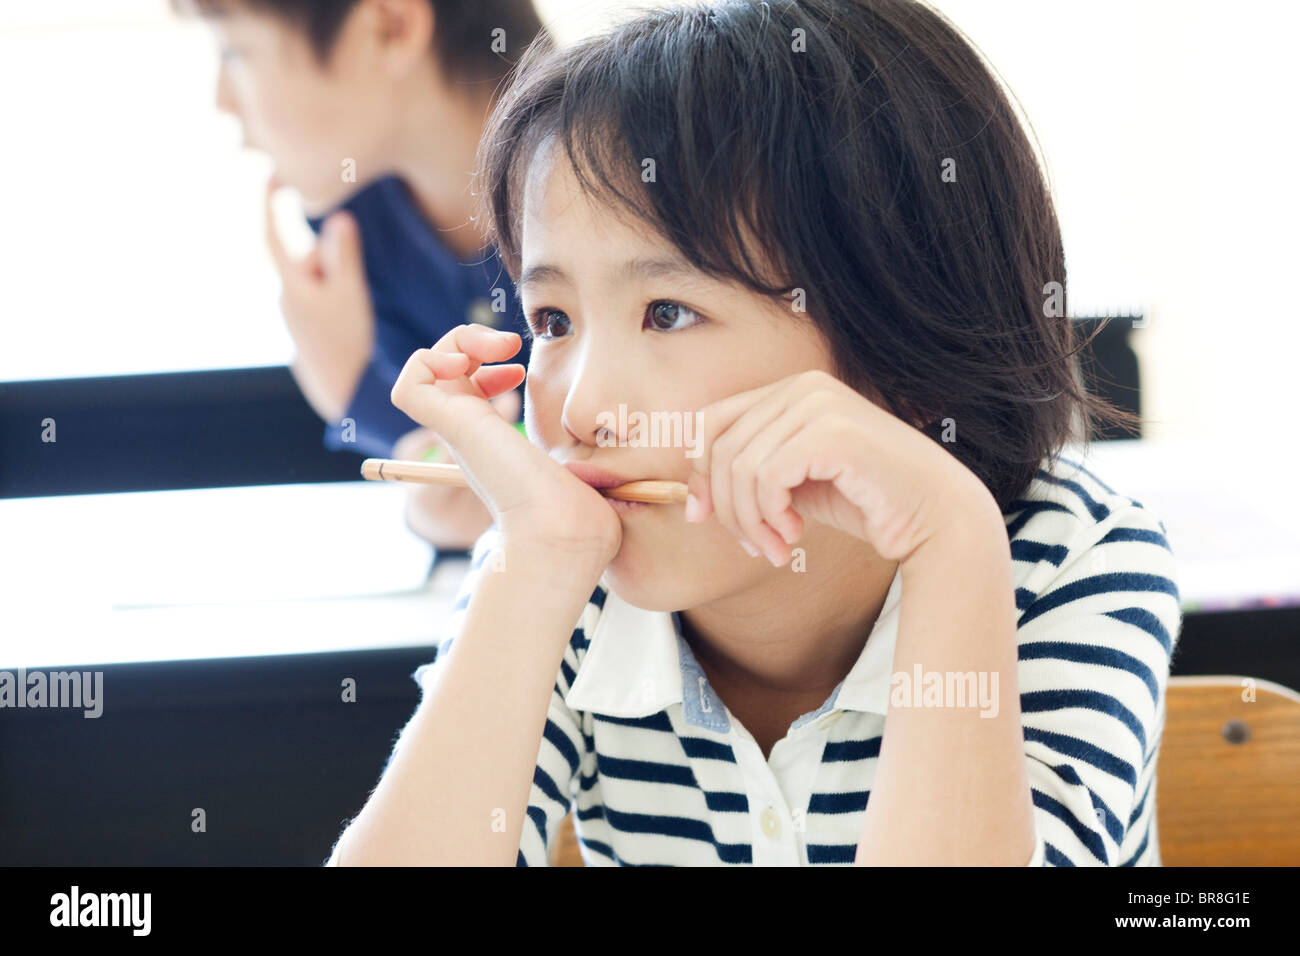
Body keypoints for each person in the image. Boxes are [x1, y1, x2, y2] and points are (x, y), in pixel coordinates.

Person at [325, 0, 1182, 866]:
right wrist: (532, 567)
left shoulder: (1070, 562)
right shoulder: (562, 578)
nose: (581, 410)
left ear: (905, 349)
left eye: (667, 312)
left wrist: (950, 544)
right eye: (552, 320)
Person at [180, 0, 550, 553]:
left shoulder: (624, 196)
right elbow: (454, 473)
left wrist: (350, 387)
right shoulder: (357, 222)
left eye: (236, 50)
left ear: (388, 27)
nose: (221, 101)